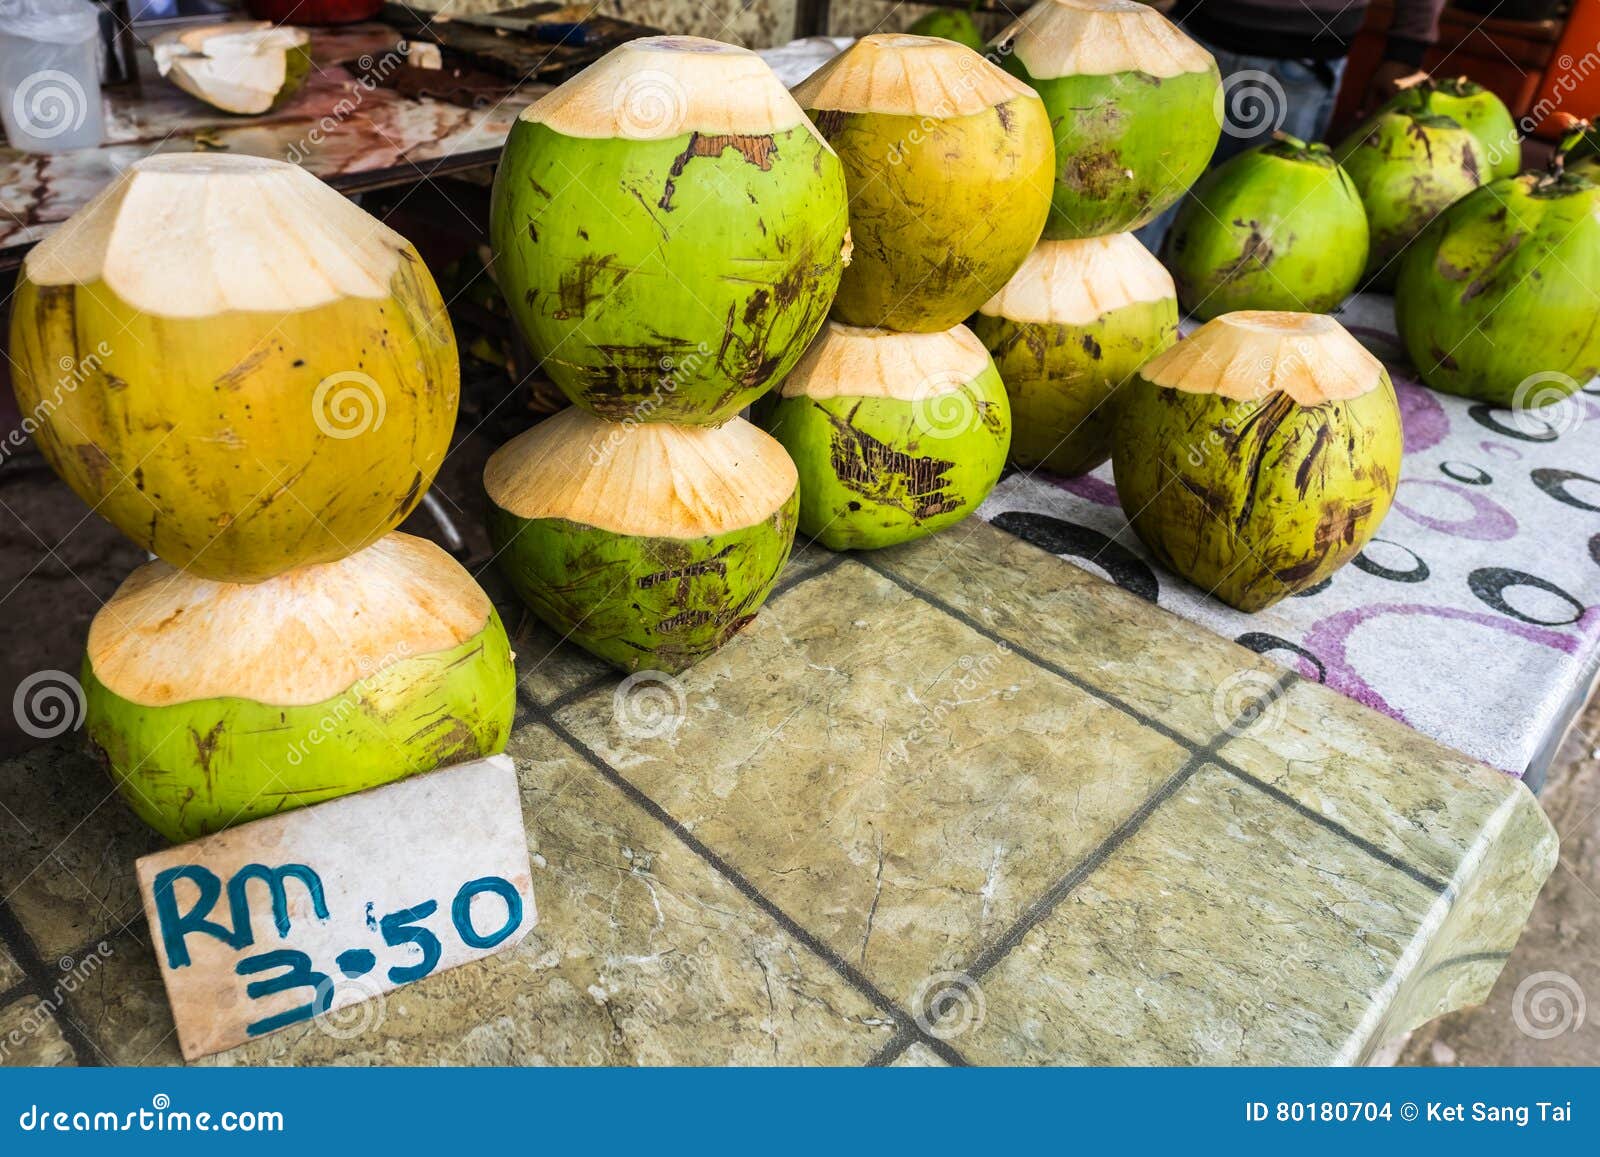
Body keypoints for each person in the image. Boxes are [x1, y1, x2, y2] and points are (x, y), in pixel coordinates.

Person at [1139, 0, 1444, 247]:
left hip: (1300, 57)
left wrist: (1406, 49)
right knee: (1146, 205)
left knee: (1258, 235)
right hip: (1191, 32)